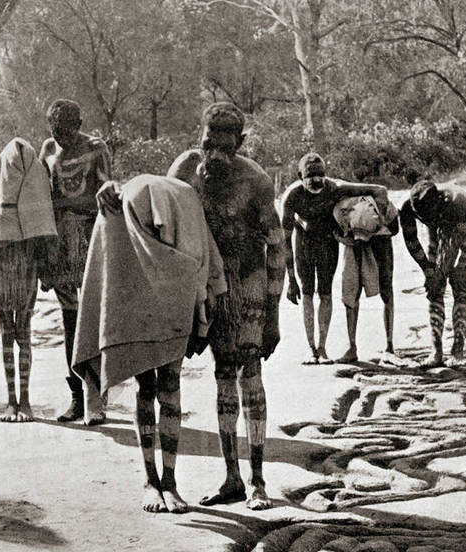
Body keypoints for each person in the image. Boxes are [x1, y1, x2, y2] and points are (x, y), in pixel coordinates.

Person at [99, 102, 285, 511]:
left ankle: (257, 481)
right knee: (221, 376)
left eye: (225, 146)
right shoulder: (184, 168)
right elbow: (153, 207)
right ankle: (232, 478)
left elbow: (276, 247)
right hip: (200, 283)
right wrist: (114, 190)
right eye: (208, 144)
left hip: (246, 281)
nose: (215, 155)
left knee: (248, 373)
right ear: (199, 136)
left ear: (241, 142)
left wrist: (272, 314)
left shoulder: (255, 180)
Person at [73, 171, 226, 513]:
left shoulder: (185, 200)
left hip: (175, 299)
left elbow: (199, 253)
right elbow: (111, 260)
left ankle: (170, 481)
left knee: (170, 385)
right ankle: (149, 480)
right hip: (140, 299)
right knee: (146, 385)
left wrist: (202, 290)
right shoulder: (121, 206)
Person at [0, 138, 58, 423]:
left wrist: (46, 269)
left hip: (19, 269)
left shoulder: (30, 192)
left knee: (21, 333)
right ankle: (12, 400)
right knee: (11, 333)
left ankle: (24, 400)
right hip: (3, 271)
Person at [38, 98, 111, 426]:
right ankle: (77, 398)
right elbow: (40, 197)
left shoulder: (96, 149)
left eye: (64, 131)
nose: (59, 137)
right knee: (70, 322)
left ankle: (98, 399)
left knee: (93, 319)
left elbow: (107, 194)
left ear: (78, 125)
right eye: (54, 131)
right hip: (59, 244)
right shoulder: (47, 150)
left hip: (91, 237)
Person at [280, 153, 392, 364]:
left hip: (327, 244)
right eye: (310, 176)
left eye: (320, 175)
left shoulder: (335, 188)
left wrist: (377, 222)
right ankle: (311, 349)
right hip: (303, 245)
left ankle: (322, 349)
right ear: (299, 176)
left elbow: (379, 189)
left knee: (325, 293)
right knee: (306, 293)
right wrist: (290, 279)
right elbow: (284, 240)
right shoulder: (292, 196)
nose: (316, 180)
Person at [399, 175, 466, 366]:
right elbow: (411, 241)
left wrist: (459, 270)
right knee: (435, 288)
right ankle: (436, 350)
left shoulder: (458, 203)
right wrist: (429, 271)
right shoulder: (407, 208)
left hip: (460, 226)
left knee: (461, 285)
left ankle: (458, 348)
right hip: (436, 231)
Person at [332, 190, 400, 362]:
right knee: (372, 293)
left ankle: (359, 346)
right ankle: (385, 345)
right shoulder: (379, 201)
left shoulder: (346, 203)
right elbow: (395, 228)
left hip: (369, 245)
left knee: (357, 295)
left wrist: (353, 235)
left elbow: (335, 230)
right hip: (369, 245)